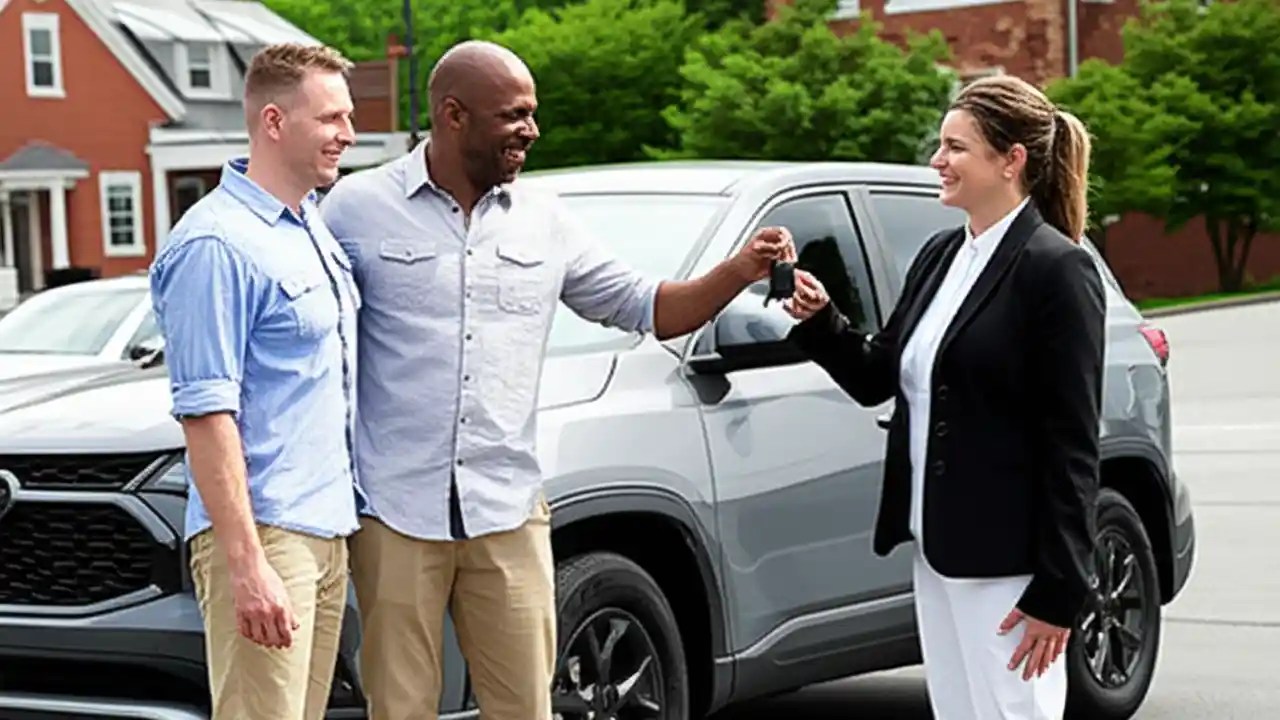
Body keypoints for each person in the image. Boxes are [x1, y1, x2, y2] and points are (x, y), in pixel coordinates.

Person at [318, 39, 794, 720]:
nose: (531, 131)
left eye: (532, 114)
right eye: (514, 115)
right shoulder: (354, 210)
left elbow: (648, 308)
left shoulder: (547, 220)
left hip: (506, 507)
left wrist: (739, 271)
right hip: (393, 513)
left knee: (526, 706)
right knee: (400, 707)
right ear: (454, 115)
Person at [783, 74, 1104, 719]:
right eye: (941, 145)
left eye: (956, 147)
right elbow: (880, 376)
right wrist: (823, 323)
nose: (937, 160)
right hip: (940, 552)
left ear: (1011, 160)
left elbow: (1072, 443)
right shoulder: (940, 256)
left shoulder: (1056, 269)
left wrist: (1060, 590)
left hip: (1012, 566)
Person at [149, 43, 361, 720]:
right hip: (266, 536)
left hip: (325, 532)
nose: (348, 134)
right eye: (330, 118)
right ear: (274, 122)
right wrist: (246, 564)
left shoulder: (309, 229)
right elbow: (207, 414)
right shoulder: (215, 244)